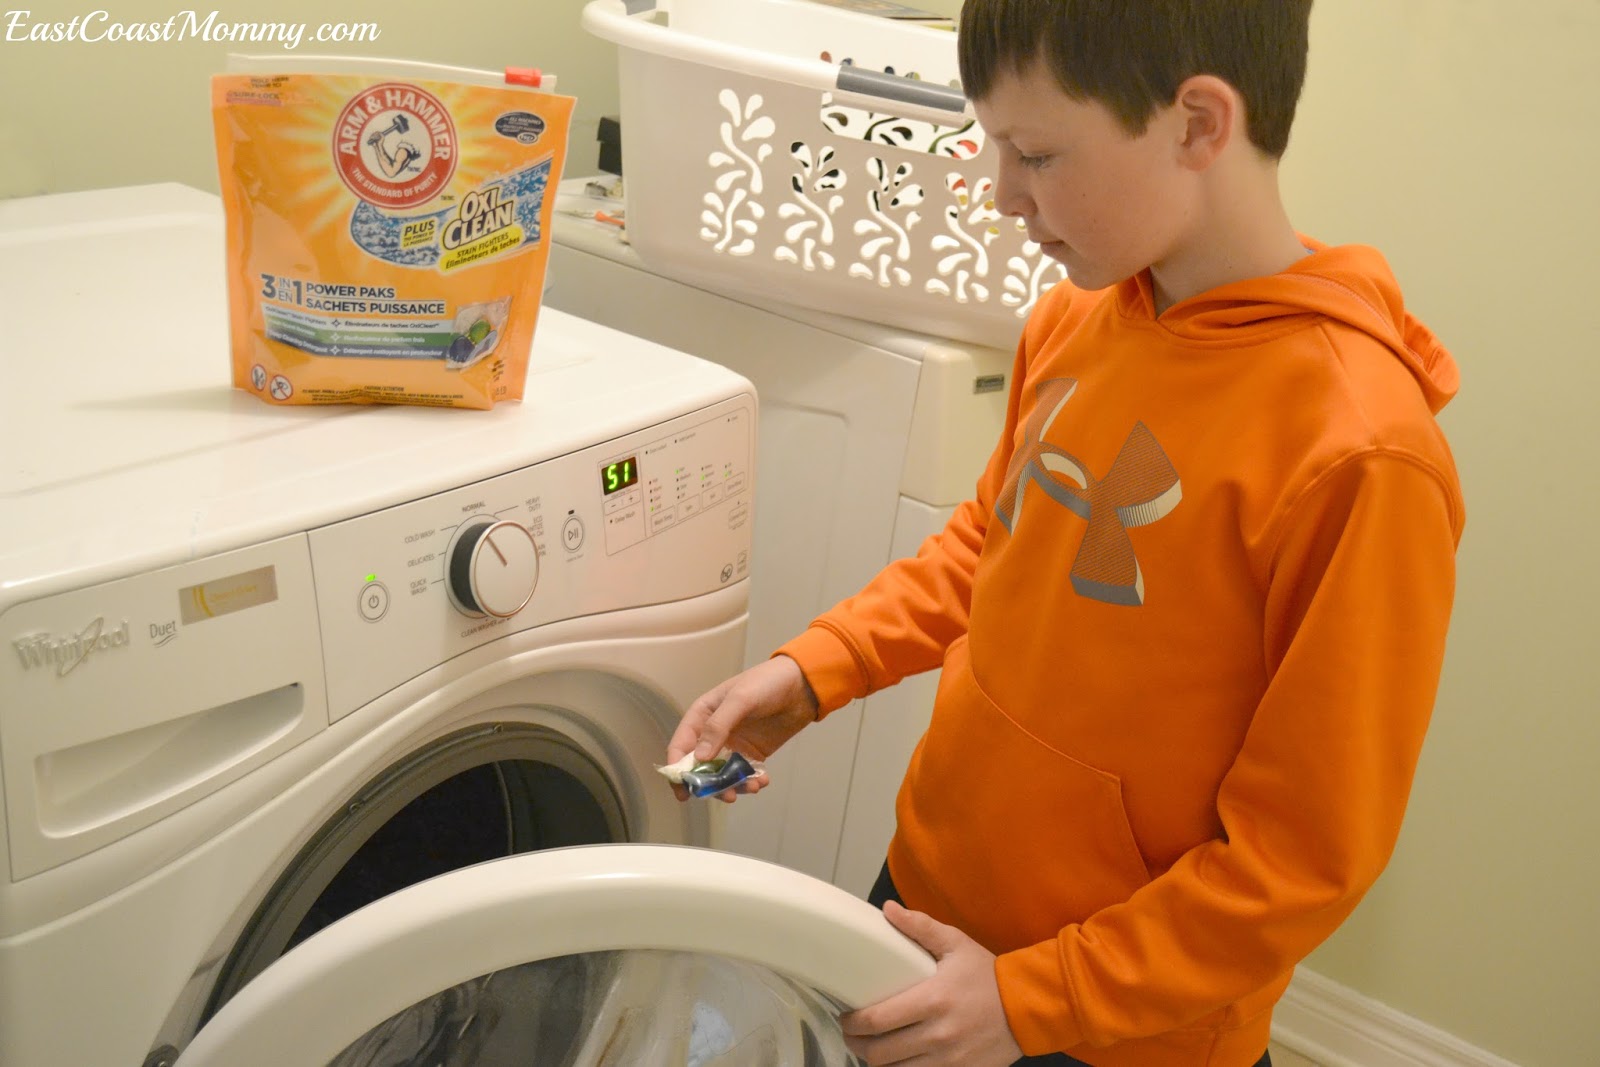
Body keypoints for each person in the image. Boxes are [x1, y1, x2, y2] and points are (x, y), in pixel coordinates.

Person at [665, 1, 1464, 1064]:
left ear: (1196, 125)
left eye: (1035, 152)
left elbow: (1298, 857)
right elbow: (991, 545)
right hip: (925, 904)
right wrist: (818, 668)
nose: (1002, 196)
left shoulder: (1358, 455)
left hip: (1117, 1018)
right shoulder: (1076, 321)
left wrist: (1034, 999)